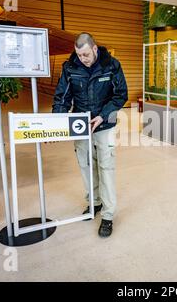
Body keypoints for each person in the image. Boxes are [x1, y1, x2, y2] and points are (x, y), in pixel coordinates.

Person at [52, 32, 128, 237]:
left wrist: (103, 116)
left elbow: (121, 95)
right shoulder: (70, 67)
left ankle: (108, 215)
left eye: (85, 54)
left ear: (94, 49)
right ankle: (94, 202)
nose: (82, 59)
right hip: (81, 125)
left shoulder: (111, 65)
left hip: (104, 125)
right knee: (86, 166)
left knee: (106, 167)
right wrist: (56, 123)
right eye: (79, 55)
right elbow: (62, 97)